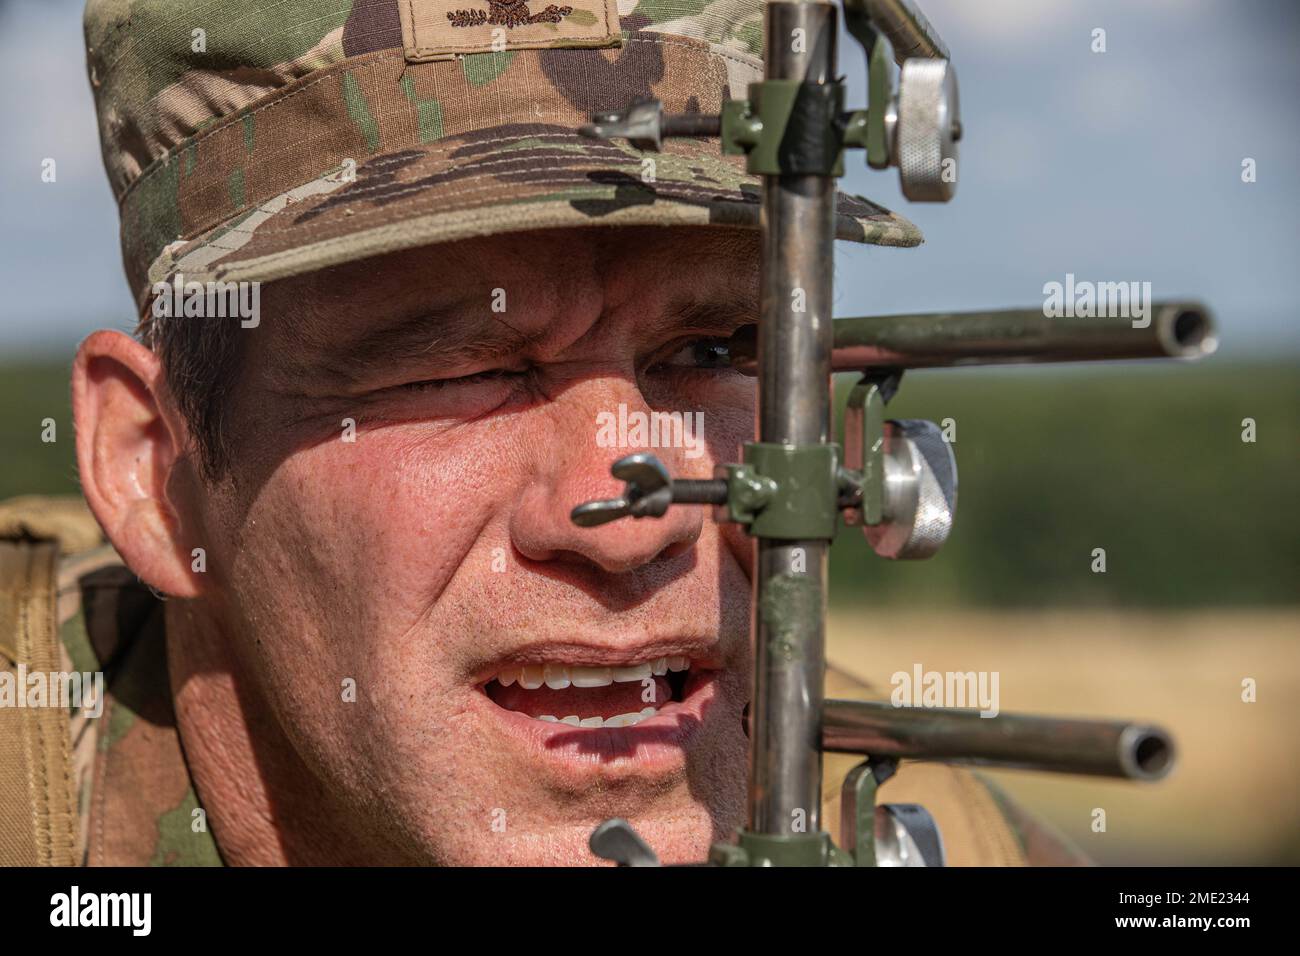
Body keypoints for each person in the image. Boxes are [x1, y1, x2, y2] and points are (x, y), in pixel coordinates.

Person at [0, 0, 1084, 866]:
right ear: (155, 471)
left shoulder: (938, 824)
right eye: (471, 366)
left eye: (712, 350)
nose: (621, 524)